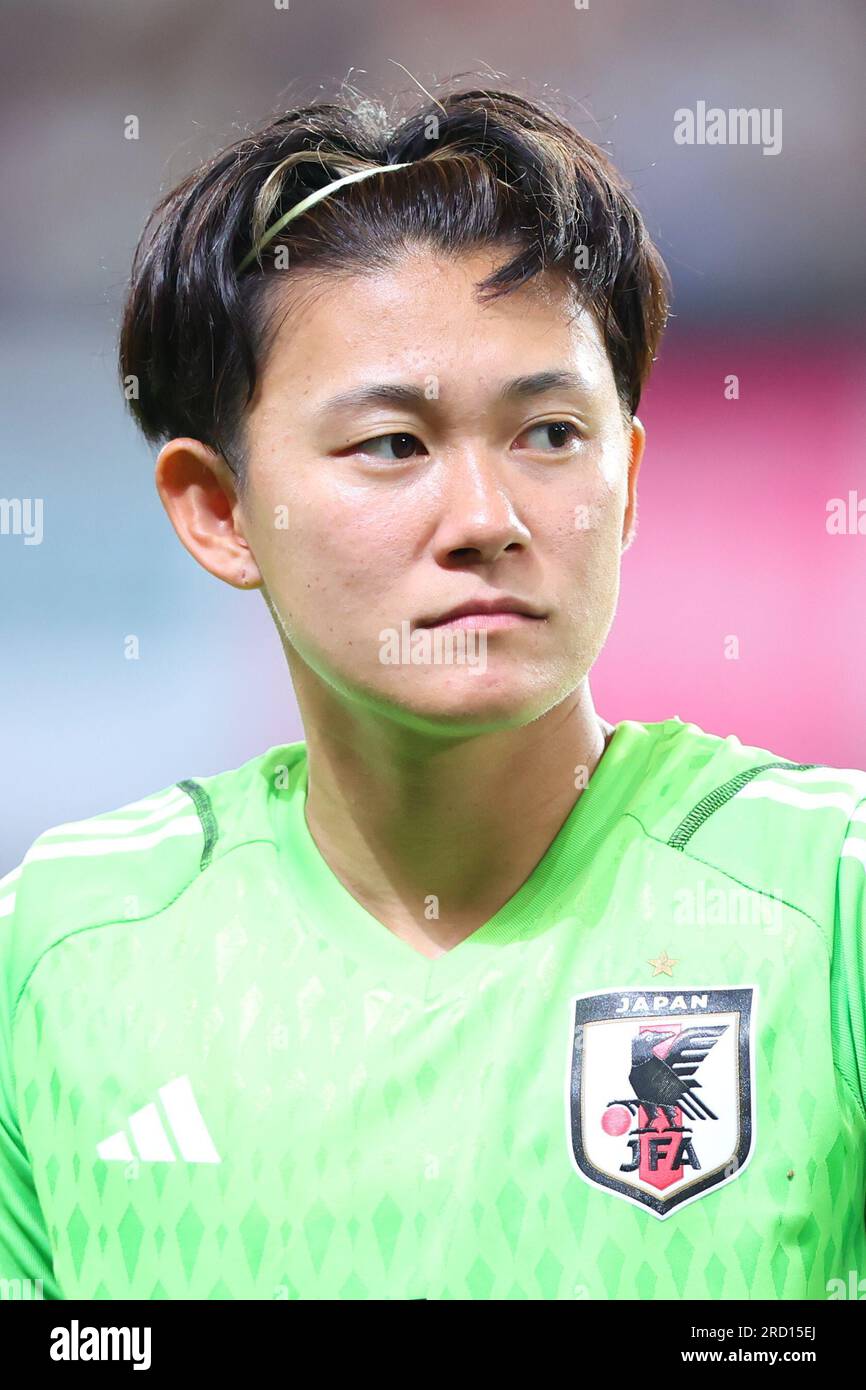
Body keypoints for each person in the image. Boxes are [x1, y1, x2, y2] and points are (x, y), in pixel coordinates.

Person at [1, 84, 864, 1302]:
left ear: (625, 476)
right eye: (393, 445)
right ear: (219, 509)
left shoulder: (832, 908)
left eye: (550, 435)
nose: (486, 520)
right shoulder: (58, 954)